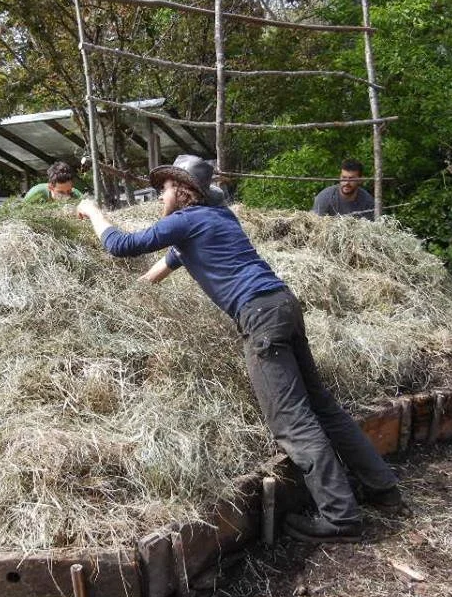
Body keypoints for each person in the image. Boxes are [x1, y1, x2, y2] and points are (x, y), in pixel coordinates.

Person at [76, 154, 400, 543]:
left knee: (292, 421)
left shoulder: (185, 220)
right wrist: (129, 297)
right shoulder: (216, 220)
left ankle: (340, 517)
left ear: (182, 191)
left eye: (164, 187)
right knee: (323, 407)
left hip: (260, 318)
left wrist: (93, 210)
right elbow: (163, 267)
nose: (159, 193)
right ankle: (383, 489)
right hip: (283, 303)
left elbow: (121, 244)